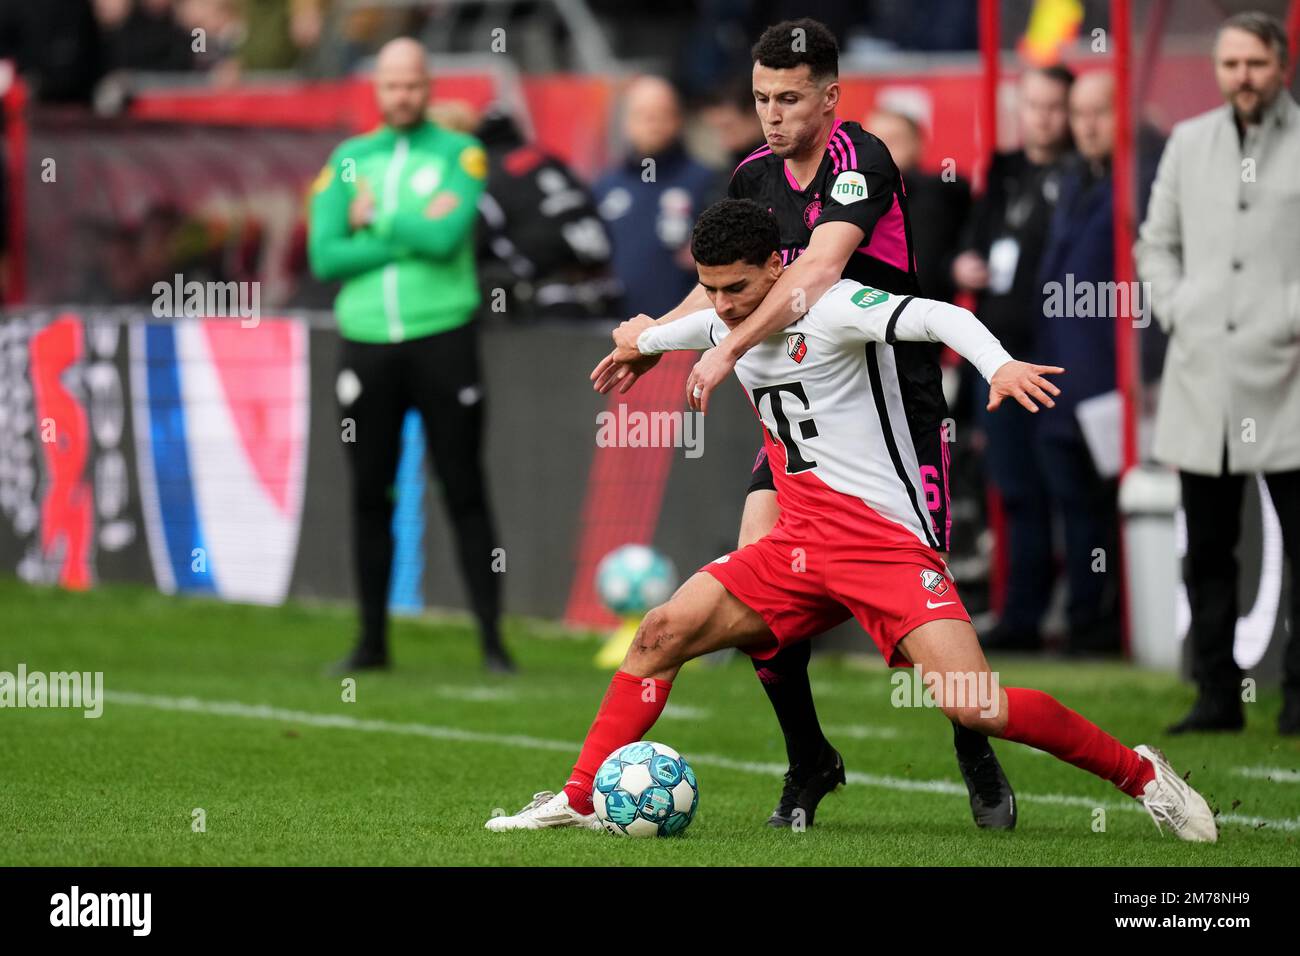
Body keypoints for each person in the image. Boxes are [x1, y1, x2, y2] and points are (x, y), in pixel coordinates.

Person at [486, 199, 1216, 843]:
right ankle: (580, 798)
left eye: (737, 288)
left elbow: (940, 315)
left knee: (976, 704)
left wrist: (995, 365)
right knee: (659, 634)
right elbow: (672, 331)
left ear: (777, 267)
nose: (725, 307)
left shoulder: (833, 306)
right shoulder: (722, 316)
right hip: (796, 546)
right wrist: (638, 343)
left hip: (882, 547)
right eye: (710, 290)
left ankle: (1144, 777)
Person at [592, 18, 1016, 830]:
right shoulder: (752, 174)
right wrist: (655, 339)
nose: (773, 115)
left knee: (922, 587)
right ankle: (809, 758)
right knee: (759, 577)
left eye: (789, 98)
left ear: (830, 96)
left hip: (890, 410)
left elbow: (817, 275)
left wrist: (720, 354)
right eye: (760, 98)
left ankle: (973, 740)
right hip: (798, 411)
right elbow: (724, 285)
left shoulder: (864, 162)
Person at [307, 37, 512, 674]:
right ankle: (371, 643)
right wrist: (404, 233)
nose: (402, 95)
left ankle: (491, 643)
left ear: (428, 86)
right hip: (366, 343)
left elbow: (447, 233)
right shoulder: (347, 159)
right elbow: (325, 255)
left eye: (413, 84)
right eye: (391, 85)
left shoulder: (463, 152)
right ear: (377, 89)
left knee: (463, 485)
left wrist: (377, 220)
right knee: (372, 492)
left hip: (442, 335)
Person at [1135, 11, 1300, 735]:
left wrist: (1289, 318)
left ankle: (1298, 697)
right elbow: (1155, 244)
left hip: (1290, 375)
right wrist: (1179, 308)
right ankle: (1215, 696)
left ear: (1282, 66)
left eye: (1255, 64)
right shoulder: (1189, 142)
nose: (1241, 78)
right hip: (1203, 375)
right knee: (1206, 548)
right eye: (1230, 64)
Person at [953, 65, 1073, 651]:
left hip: (1054, 355)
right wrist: (963, 266)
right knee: (1015, 488)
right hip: (995, 356)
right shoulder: (1003, 171)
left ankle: (1083, 618)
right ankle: (1022, 616)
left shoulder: (1079, 173)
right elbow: (972, 244)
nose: (1045, 118)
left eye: (1056, 106)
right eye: (1035, 105)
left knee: (1068, 487)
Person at [1032, 71, 1124, 656]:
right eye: (1080, 112)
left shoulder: (1139, 179)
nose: (1087, 124)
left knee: (1110, 512)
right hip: (1061, 380)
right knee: (1077, 512)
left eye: (1101, 111)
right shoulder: (1073, 179)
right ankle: (1088, 619)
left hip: (1112, 383)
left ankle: (1114, 622)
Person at [592, 76, 719, 320]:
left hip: (688, 333)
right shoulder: (605, 187)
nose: (653, 123)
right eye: (643, 115)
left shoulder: (707, 182)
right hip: (616, 332)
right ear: (626, 123)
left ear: (678, 119)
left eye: (662, 114)